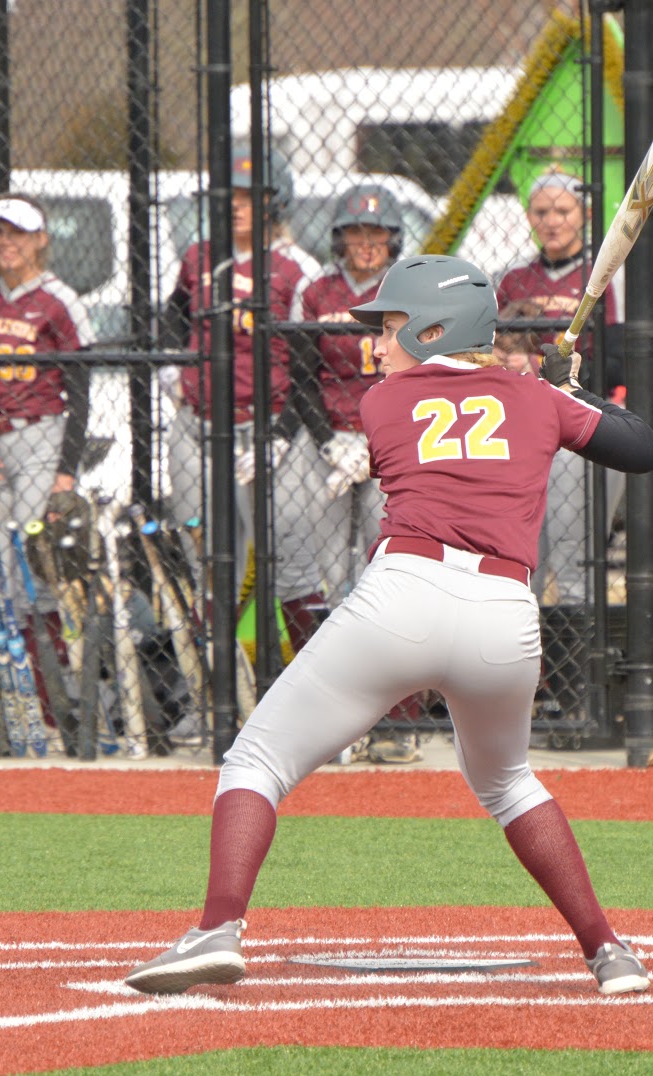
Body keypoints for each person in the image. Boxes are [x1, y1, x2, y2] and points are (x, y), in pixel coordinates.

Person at [124, 254, 653, 997]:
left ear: (439, 330)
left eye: (391, 327)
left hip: (403, 598)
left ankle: (218, 928)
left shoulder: (387, 400)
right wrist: (570, 392)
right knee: (508, 783)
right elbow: (642, 447)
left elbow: (457, 412)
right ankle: (609, 952)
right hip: (504, 621)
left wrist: (541, 389)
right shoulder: (534, 398)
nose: (376, 346)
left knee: (255, 763)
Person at [159, 142, 324, 699]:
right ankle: (221, 697)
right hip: (198, 427)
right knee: (208, 564)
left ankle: (309, 696)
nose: (234, 206)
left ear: (275, 202)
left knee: (283, 559)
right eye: (227, 196)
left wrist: (284, 433)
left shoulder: (299, 270)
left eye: (248, 197)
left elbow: (312, 358)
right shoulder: (200, 256)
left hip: (268, 431)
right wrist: (170, 370)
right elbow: (172, 319)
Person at [279, 183, 423, 762]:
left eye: (378, 232)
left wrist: (382, 442)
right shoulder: (316, 291)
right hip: (331, 444)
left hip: (395, 449)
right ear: (340, 238)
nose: (367, 243)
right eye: (356, 233)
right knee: (325, 575)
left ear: (394, 237)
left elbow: (422, 374)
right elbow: (300, 376)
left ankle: (399, 719)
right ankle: (334, 714)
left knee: (390, 575)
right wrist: (328, 441)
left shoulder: (411, 288)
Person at [0, 194, 92, 741]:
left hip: (41, 438)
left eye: (17, 233)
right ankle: (20, 710)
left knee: (37, 575)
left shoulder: (60, 301)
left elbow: (80, 391)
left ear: (40, 239)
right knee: (1, 579)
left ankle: (54, 704)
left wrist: (65, 472)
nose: (5, 242)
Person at [496, 171, 627, 721]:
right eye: (542, 211)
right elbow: (492, 354)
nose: (552, 221)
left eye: (563, 211)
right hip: (521, 434)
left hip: (574, 429)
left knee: (574, 567)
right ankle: (523, 696)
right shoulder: (513, 279)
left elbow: (616, 361)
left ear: (582, 216)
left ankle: (578, 702)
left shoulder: (600, 277)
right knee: (517, 569)